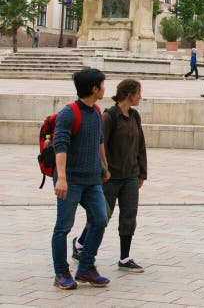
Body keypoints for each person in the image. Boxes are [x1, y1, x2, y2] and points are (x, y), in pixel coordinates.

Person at [73, 79, 147, 273]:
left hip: (131, 176)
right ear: (129, 94)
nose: (140, 97)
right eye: (138, 93)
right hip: (110, 177)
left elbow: (140, 145)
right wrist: (103, 170)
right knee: (102, 216)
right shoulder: (109, 117)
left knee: (129, 216)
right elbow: (100, 145)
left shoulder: (134, 116)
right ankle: (80, 244)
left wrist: (142, 172)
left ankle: (125, 258)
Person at [51, 68, 111, 290]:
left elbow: (99, 140)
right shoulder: (69, 113)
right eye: (102, 85)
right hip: (71, 181)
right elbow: (60, 145)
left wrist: (104, 166)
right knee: (63, 227)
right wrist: (62, 178)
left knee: (100, 219)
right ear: (94, 89)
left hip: (92, 179)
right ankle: (61, 272)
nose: (104, 89)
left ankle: (85, 268)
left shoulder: (96, 111)